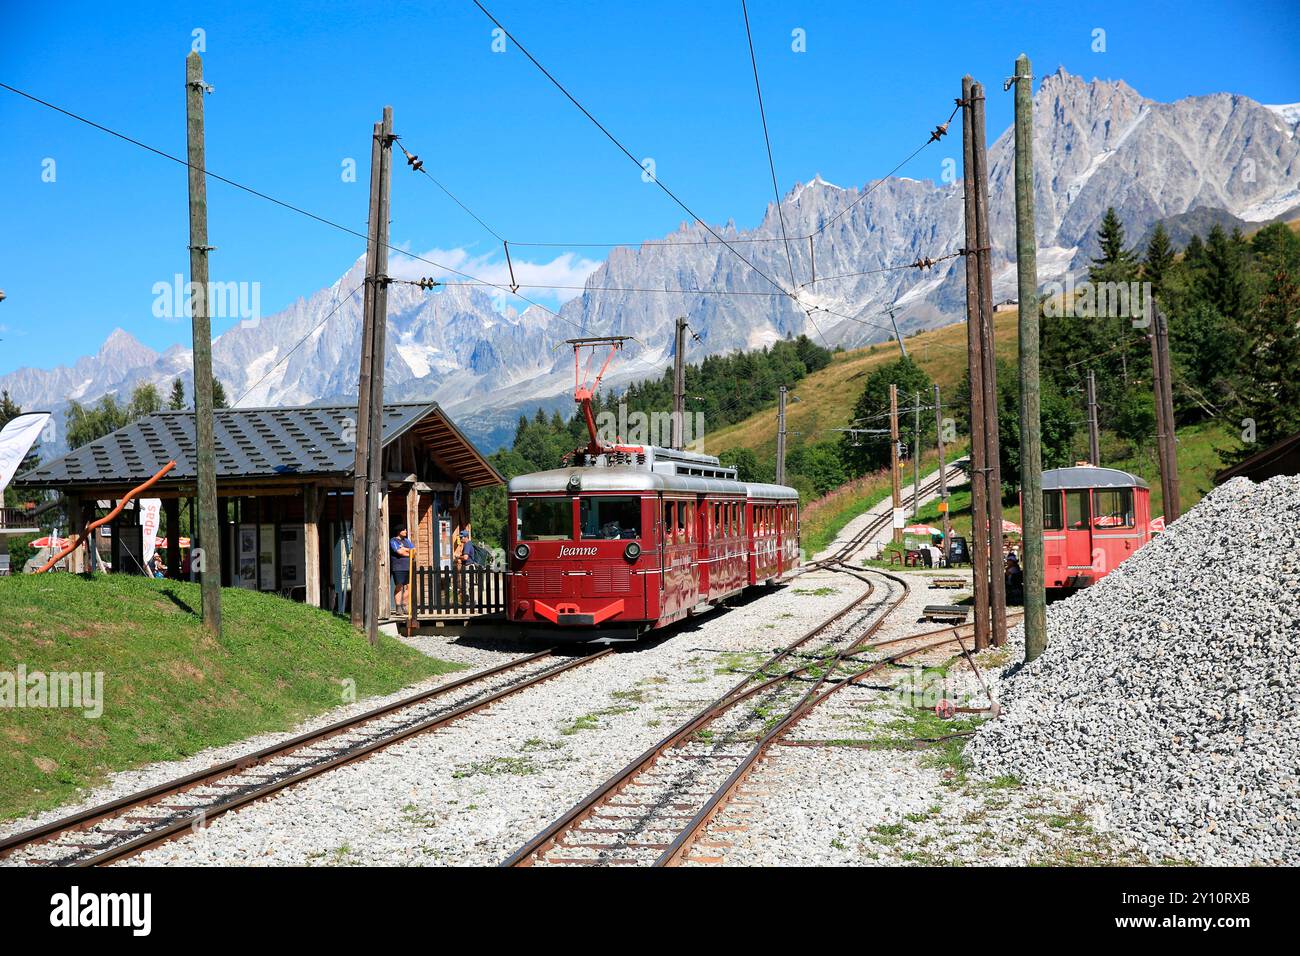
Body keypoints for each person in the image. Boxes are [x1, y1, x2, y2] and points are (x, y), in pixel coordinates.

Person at [390, 527, 413, 615]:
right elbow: (399, 552)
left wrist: (405, 549)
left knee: (409, 587)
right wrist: (407, 551)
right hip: (398, 567)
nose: (406, 531)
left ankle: (404, 605)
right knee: (399, 587)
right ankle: (398, 607)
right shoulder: (393, 541)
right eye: (404, 530)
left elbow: (414, 552)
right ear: (399, 531)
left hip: (408, 566)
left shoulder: (407, 541)